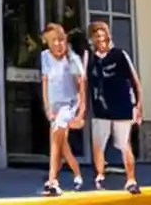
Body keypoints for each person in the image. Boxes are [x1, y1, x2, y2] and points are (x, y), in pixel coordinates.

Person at [85, 21, 143, 194]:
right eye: (97, 36)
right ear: (92, 39)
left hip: (122, 106)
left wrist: (138, 106)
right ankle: (100, 177)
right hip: (100, 108)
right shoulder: (90, 58)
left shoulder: (119, 55)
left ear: (108, 36)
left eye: (103, 35)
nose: (101, 39)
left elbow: (135, 81)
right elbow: (83, 82)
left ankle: (131, 180)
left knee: (125, 144)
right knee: (98, 145)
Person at [41, 23, 85, 196]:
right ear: (47, 43)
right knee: (62, 145)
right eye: (53, 41)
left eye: (60, 40)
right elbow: (45, 82)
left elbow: (81, 86)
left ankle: (52, 179)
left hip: (69, 105)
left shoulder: (72, 59)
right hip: (54, 106)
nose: (57, 44)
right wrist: (47, 107)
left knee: (56, 139)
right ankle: (77, 173)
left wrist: (81, 112)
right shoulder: (45, 57)